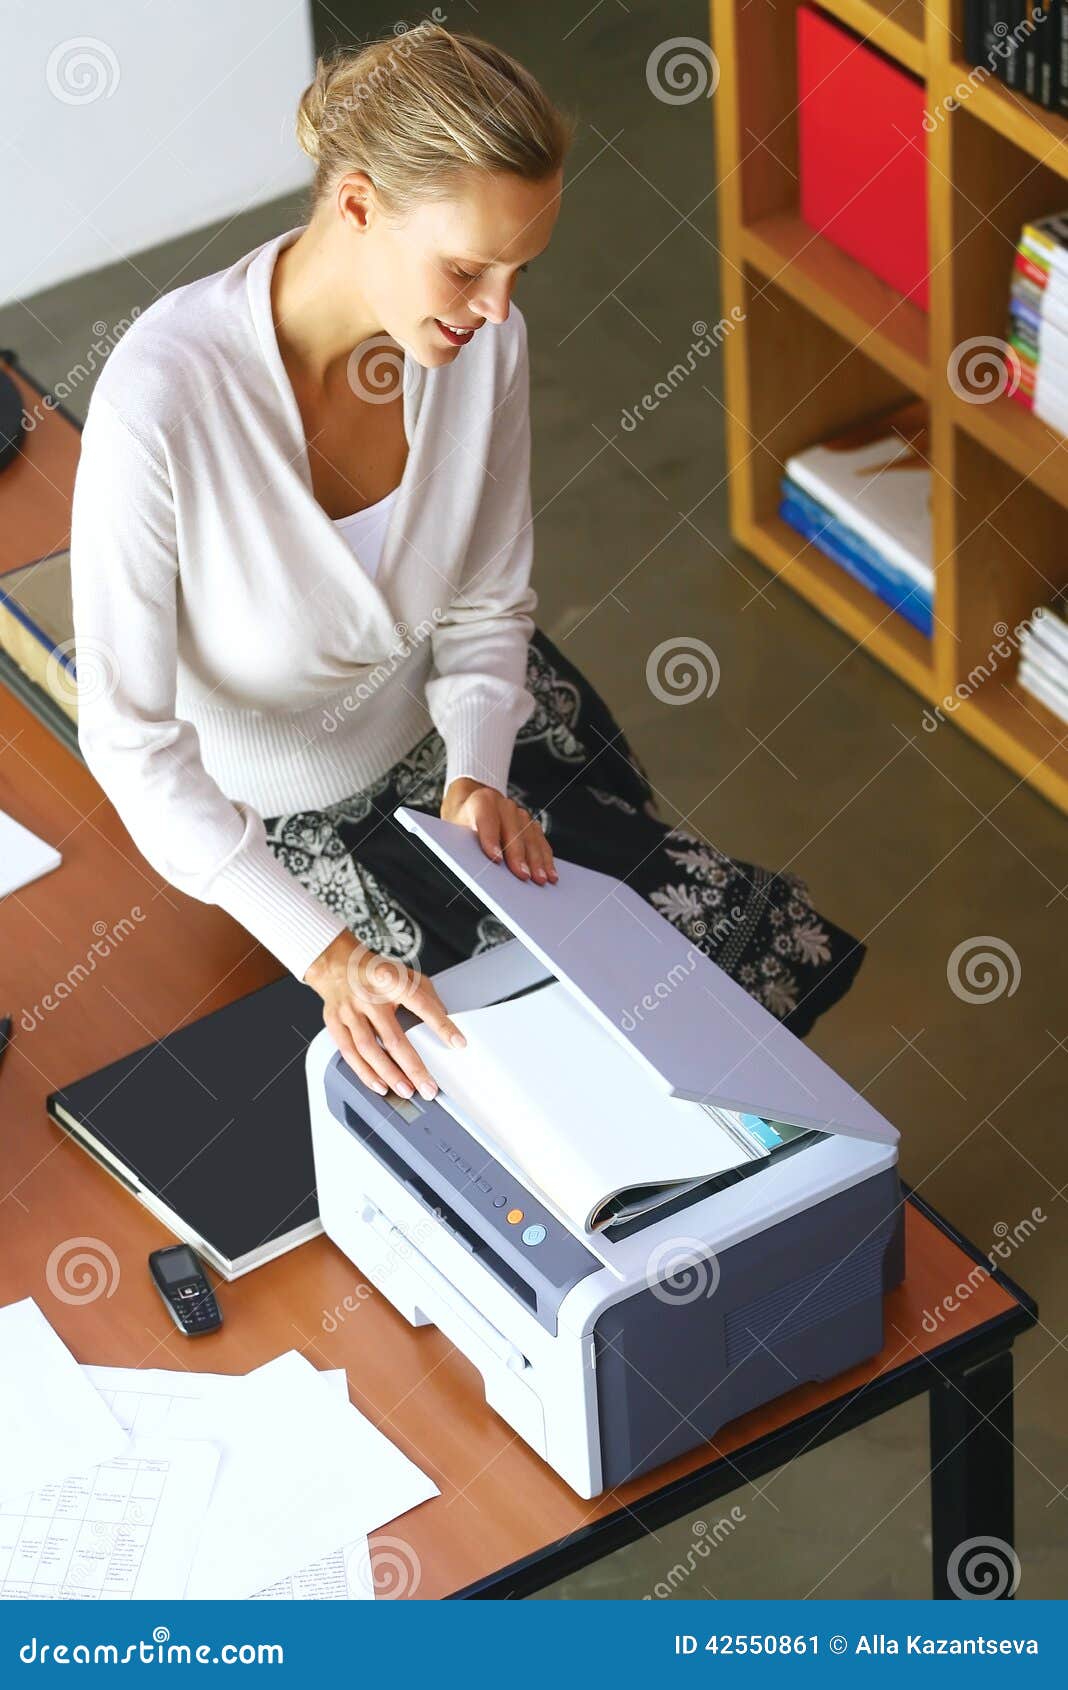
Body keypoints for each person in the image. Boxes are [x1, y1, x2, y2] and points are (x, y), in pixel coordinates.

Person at [70, 25, 865, 1108]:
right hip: (292, 829)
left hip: (476, 739)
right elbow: (131, 742)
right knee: (515, 1092)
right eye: (467, 266)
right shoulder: (163, 401)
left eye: (519, 268)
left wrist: (477, 767)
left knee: (722, 983)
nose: (498, 308)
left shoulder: (479, 341)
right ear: (357, 204)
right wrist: (325, 954)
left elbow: (491, 599)